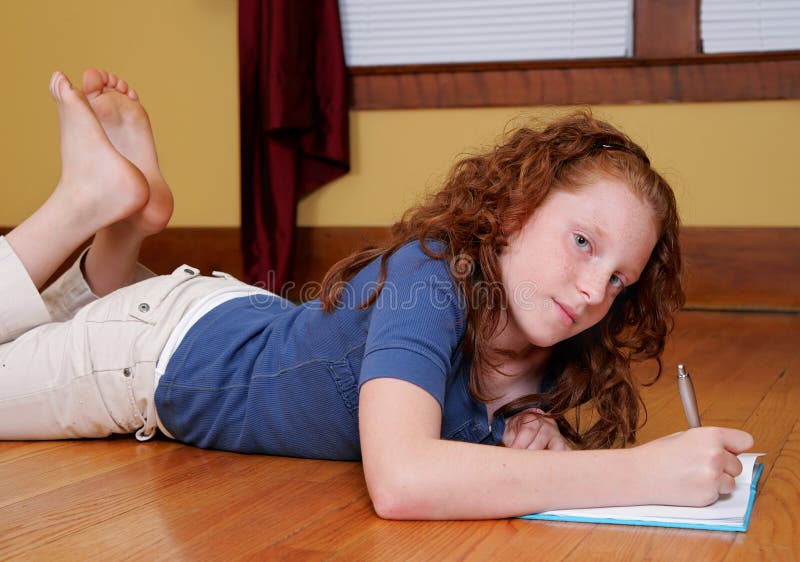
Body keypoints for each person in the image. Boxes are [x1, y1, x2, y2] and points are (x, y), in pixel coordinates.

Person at [0, 69, 753, 520]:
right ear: (513, 211)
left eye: (619, 278)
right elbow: (403, 479)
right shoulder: (433, 274)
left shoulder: (547, 348)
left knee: (76, 308)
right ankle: (86, 203)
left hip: (212, 319)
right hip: (147, 359)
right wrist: (638, 473)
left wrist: (539, 440)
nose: (595, 289)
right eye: (583, 242)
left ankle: (124, 228)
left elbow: (470, 453)